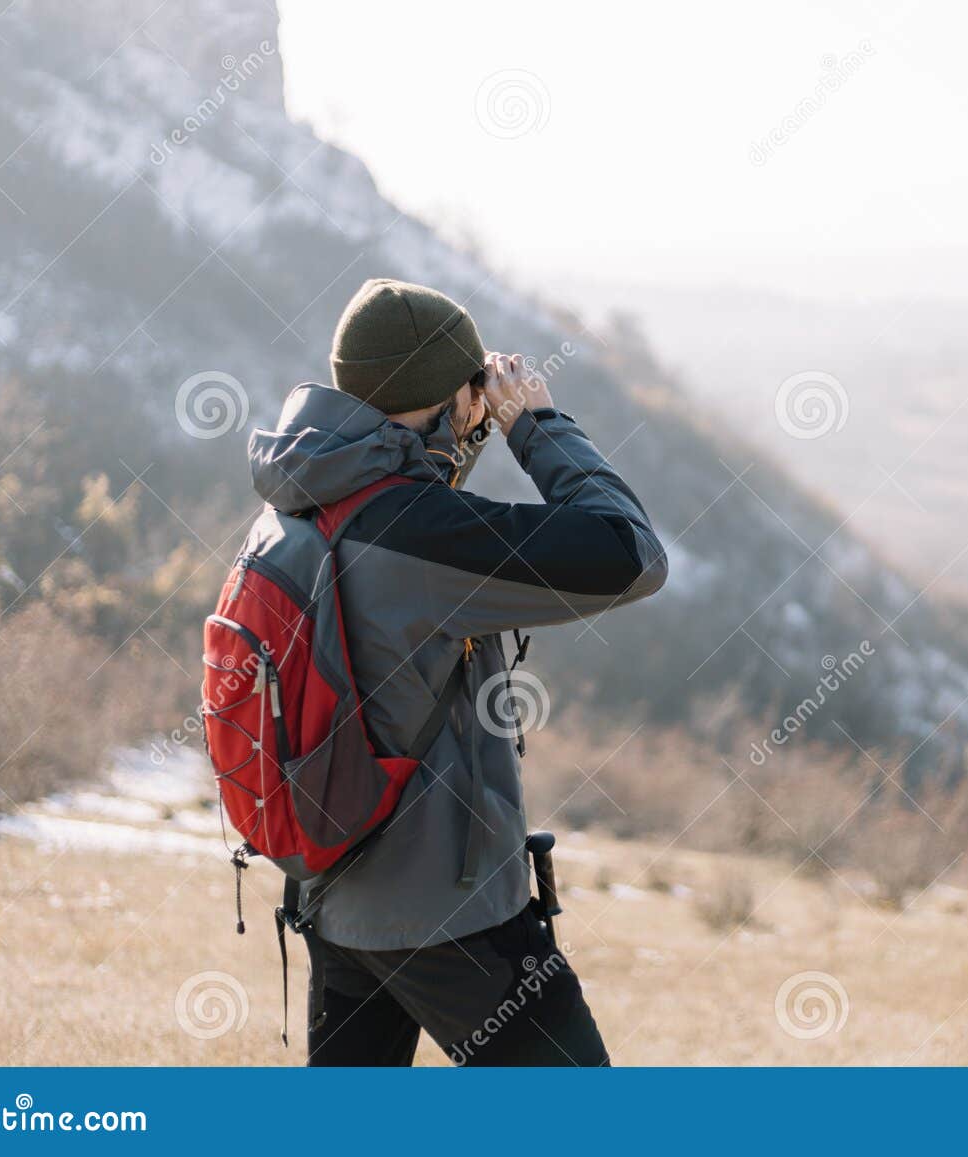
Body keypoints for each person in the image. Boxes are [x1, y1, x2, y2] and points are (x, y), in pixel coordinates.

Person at [247, 279, 667, 1065]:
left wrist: (444, 436)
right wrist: (535, 425)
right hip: (449, 917)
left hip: (334, 894)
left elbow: (401, 564)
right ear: (446, 393)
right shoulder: (418, 533)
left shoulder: (299, 499)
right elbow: (629, 552)